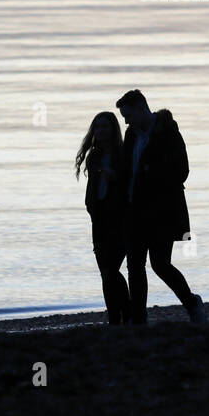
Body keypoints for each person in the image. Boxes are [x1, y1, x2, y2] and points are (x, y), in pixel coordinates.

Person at [116, 89, 207, 324]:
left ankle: (191, 302)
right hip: (134, 211)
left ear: (140, 108)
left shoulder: (168, 131)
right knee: (135, 266)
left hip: (161, 212)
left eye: (128, 115)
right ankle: (138, 318)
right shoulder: (132, 135)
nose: (126, 121)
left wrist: (151, 175)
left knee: (160, 264)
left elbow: (182, 171)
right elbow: (128, 171)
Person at [75, 111, 130, 325]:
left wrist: (114, 177)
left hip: (119, 221)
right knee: (105, 272)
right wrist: (91, 209)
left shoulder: (122, 155)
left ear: (112, 129)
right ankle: (116, 317)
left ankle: (126, 313)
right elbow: (91, 191)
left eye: (105, 127)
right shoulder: (94, 156)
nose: (101, 131)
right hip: (99, 222)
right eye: (97, 127)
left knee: (111, 270)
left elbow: (128, 186)